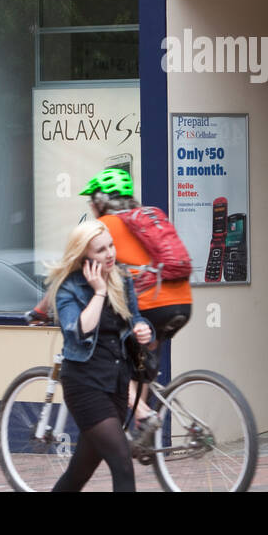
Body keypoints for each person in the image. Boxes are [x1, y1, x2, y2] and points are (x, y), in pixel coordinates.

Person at [80, 168, 192, 429]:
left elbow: (73, 269)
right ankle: (144, 431)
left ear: (99, 203)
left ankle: (142, 414)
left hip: (149, 305)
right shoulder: (150, 219)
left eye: (91, 202)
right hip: (181, 303)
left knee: (105, 355)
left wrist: (42, 309)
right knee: (139, 364)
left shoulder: (102, 227)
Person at [46, 218, 153, 492]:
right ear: (84, 256)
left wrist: (143, 329)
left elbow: (135, 319)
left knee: (78, 473)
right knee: (122, 464)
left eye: (111, 246)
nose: (110, 254)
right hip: (84, 385)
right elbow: (78, 332)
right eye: (101, 250)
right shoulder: (69, 287)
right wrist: (99, 292)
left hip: (116, 383)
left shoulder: (121, 277)